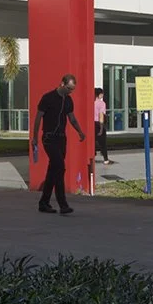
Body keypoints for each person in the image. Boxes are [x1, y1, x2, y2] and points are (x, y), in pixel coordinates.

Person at [32, 73, 86, 214]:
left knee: (53, 171)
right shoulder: (48, 98)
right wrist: (35, 137)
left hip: (61, 138)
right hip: (49, 138)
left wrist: (80, 131)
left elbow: (72, 119)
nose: (70, 92)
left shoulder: (68, 101)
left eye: (72, 89)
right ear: (62, 84)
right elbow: (38, 118)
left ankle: (44, 203)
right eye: (69, 88)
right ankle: (63, 204)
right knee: (60, 167)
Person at [93, 87, 113, 165]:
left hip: (92, 124)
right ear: (100, 94)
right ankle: (106, 159)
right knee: (102, 143)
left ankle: (92, 156)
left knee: (92, 141)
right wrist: (101, 128)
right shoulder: (102, 103)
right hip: (98, 124)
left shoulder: (92, 102)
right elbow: (101, 115)